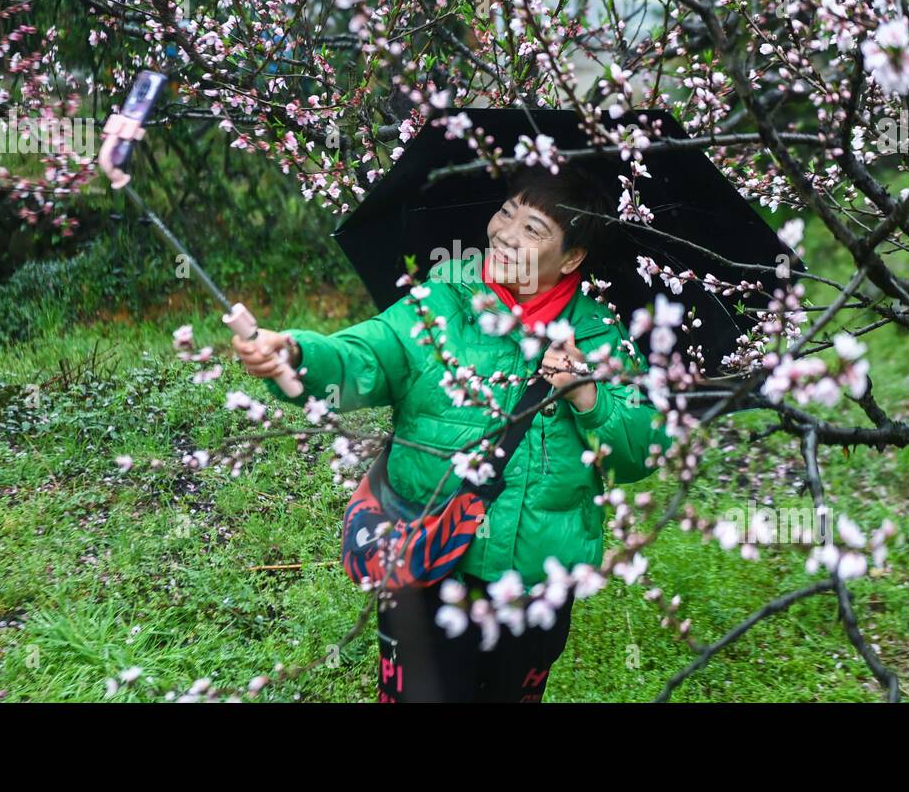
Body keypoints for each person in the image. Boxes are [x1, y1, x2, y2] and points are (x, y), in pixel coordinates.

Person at [233, 165, 673, 702]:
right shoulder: (441, 302)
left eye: (534, 229)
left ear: (573, 257)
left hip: (536, 576)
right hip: (429, 559)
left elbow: (640, 451)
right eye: (506, 211)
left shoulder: (599, 335)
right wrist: (300, 355)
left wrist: (588, 396)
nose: (507, 234)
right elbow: (366, 355)